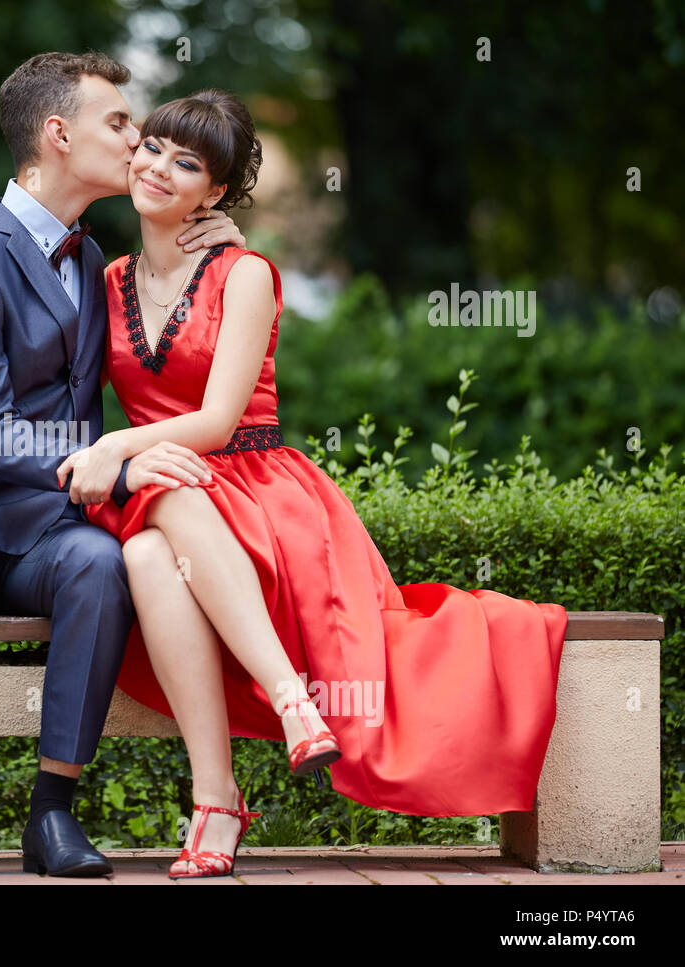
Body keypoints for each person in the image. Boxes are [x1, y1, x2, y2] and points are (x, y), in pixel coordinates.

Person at [59, 88, 569, 879]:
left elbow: (220, 421)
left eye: (186, 163)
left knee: (165, 517)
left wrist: (120, 445)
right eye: (153, 148)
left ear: (215, 192)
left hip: (254, 488)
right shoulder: (105, 274)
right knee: (148, 548)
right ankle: (220, 794)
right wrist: (122, 460)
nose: (159, 167)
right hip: (164, 488)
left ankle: (277, 720)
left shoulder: (245, 272)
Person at [0, 53, 246, 882]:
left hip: (52, 530)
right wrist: (118, 470)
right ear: (58, 136)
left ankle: (51, 814)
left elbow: (175, 307)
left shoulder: (97, 265)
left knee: (101, 567)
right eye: (119, 124)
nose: (138, 142)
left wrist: (220, 244)